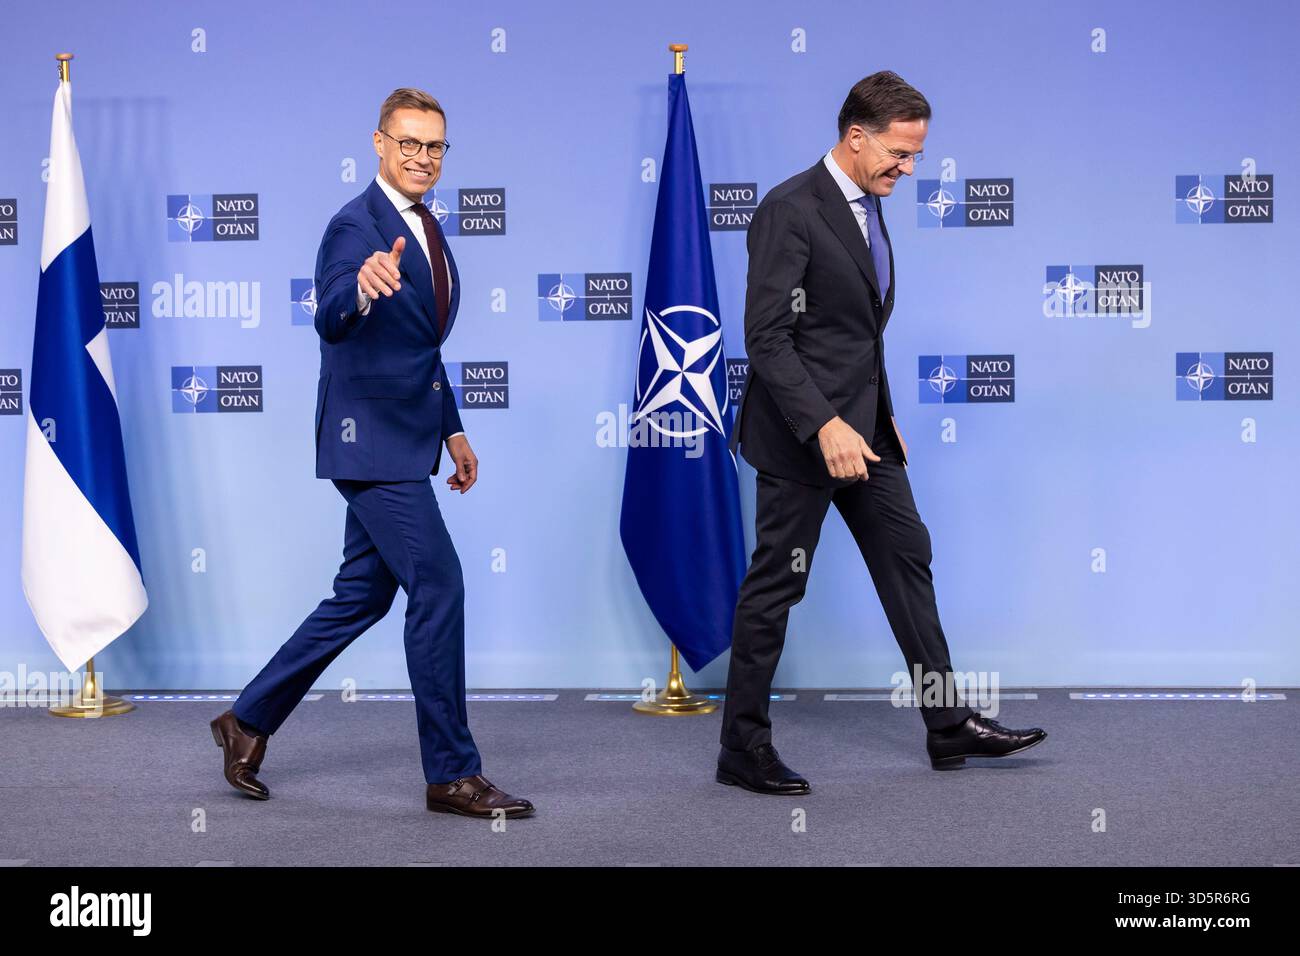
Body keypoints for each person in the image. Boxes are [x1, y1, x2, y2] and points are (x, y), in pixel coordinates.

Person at [718, 72, 1046, 795]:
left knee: (908, 561)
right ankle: (741, 747)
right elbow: (768, 338)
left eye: (916, 156)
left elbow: (854, 333)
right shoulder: (789, 209)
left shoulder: (869, 204)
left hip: (865, 432)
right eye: (898, 153)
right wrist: (825, 422)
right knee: (777, 587)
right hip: (803, 438)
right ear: (855, 136)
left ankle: (947, 723)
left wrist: (878, 407)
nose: (907, 168)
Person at [211, 88, 533, 818]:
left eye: (435, 147)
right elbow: (329, 315)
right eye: (409, 143)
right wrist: (357, 289)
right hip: (368, 443)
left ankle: (246, 721)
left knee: (363, 593)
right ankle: (451, 773)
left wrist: (451, 428)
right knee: (440, 584)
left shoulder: (428, 227)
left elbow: (421, 346)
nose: (423, 158)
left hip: (409, 436)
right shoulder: (354, 226)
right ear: (380, 145)